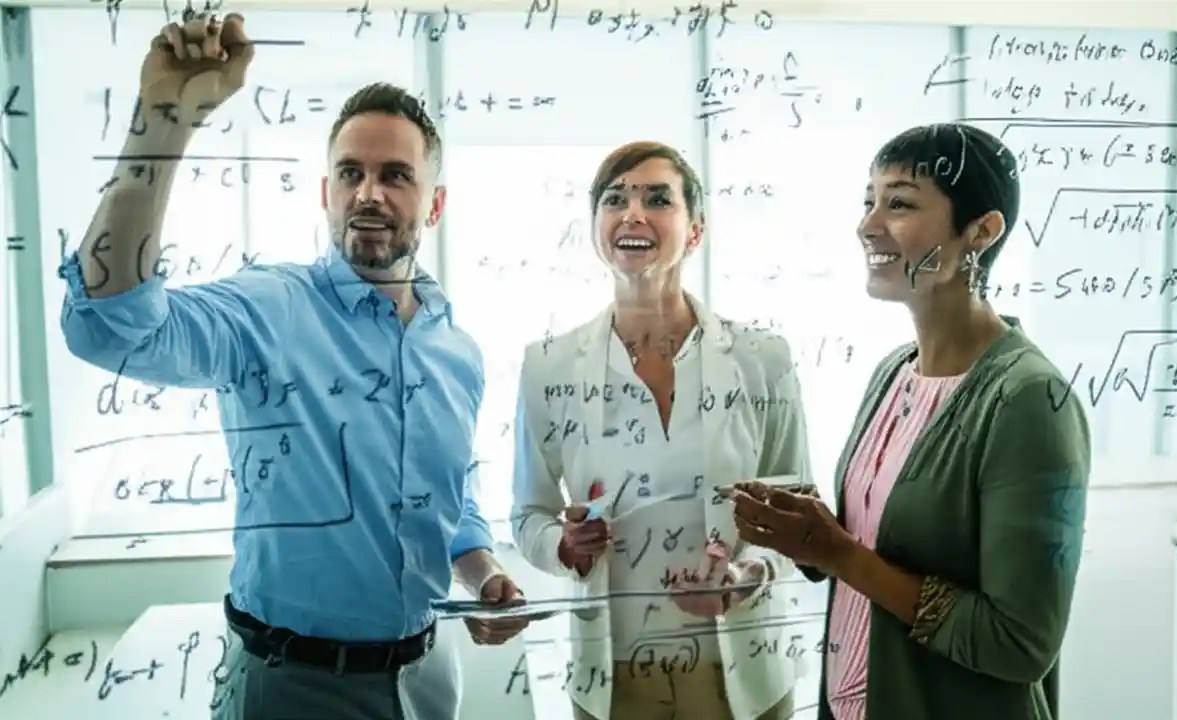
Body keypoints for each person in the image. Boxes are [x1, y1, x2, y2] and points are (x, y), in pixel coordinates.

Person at [58, 13, 529, 720]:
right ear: (326, 194)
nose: (369, 193)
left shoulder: (455, 350)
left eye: (395, 176)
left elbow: (449, 495)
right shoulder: (266, 309)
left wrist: (483, 570)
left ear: (434, 203)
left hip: (430, 680)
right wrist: (164, 121)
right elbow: (109, 323)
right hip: (291, 686)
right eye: (351, 173)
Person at [728, 123, 1091, 720]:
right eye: (868, 200)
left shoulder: (1029, 400)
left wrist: (840, 553)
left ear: (981, 231)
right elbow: (877, 547)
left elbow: (1020, 644)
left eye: (898, 202)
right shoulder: (893, 372)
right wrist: (809, 536)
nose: (868, 224)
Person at [509, 141, 810, 720]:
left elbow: (799, 508)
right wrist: (563, 546)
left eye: (657, 199)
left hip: (744, 671)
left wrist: (753, 572)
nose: (633, 214)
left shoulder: (762, 358)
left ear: (694, 231)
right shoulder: (547, 364)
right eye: (614, 199)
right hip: (615, 675)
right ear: (596, 226)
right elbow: (529, 515)